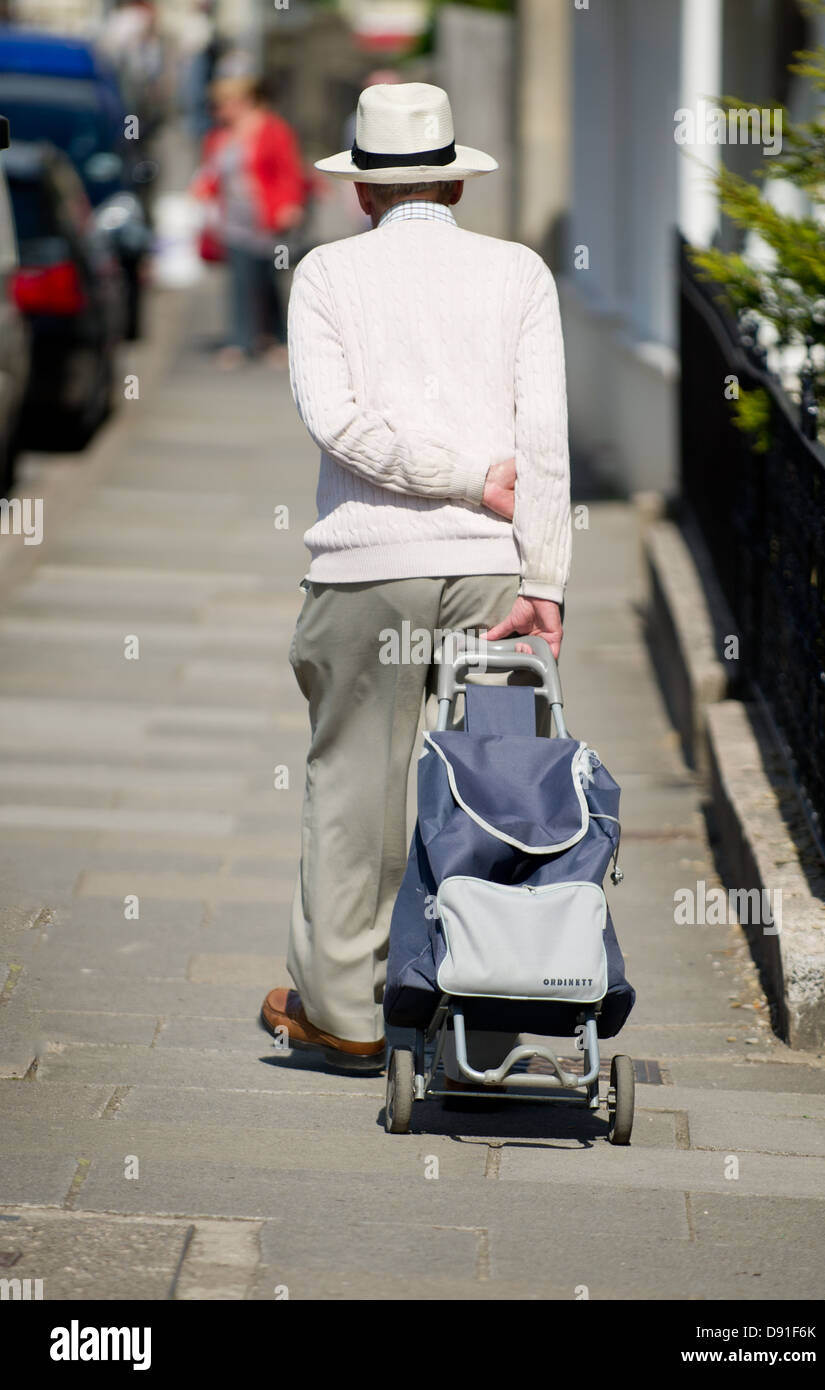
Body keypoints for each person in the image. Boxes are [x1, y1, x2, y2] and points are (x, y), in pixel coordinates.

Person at [261, 82, 572, 1075]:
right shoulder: (518, 273)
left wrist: (450, 478)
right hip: (491, 570)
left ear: (361, 191)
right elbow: (545, 445)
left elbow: (335, 422)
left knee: (354, 788)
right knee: (497, 786)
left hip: (366, 567)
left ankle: (348, 1016)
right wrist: (547, 577)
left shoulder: (323, 275)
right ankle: (490, 999)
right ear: (454, 181)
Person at [190, 75, 306, 368]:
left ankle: (278, 337)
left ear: (241, 101)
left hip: (267, 214)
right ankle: (240, 341)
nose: (217, 111)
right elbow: (213, 173)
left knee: (268, 278)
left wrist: (291, 204)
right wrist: (203, 191)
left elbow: (288, 170)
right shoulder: (219, 136)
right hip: (234, 217)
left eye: (222, 104)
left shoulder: (273, 130)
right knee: (240, 279)